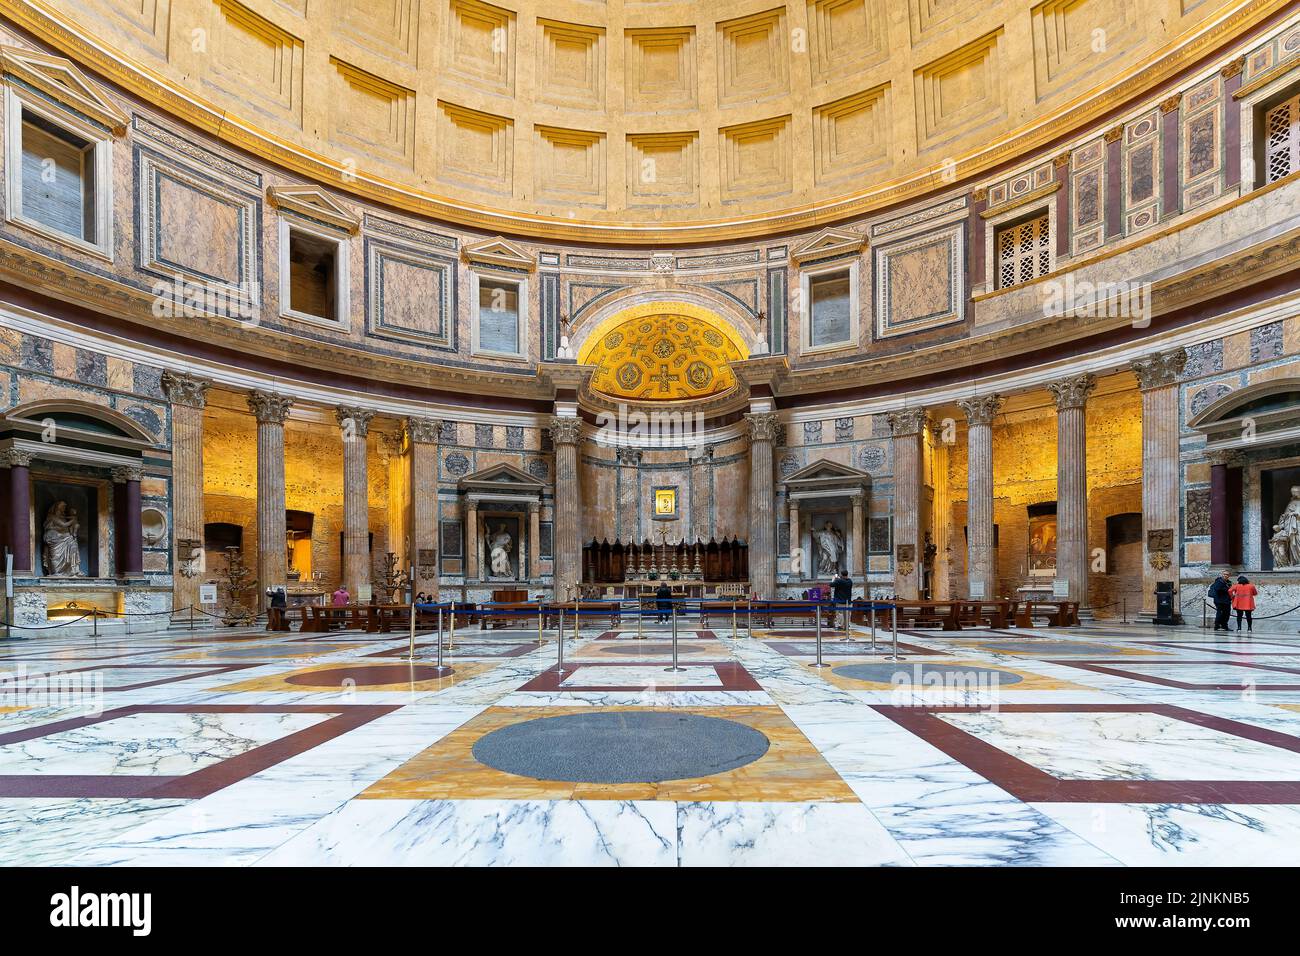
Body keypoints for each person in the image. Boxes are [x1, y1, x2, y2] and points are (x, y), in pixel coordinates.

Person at [831, 569, 853, 636]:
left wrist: (834, 578)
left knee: (840, 614)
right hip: (848, 601)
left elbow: (831, 584)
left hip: (840, 600)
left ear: (841, 575)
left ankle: (841, 626)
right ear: (847, 574)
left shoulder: (839, 581)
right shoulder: (850, 581)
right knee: (847, 614)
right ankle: (846, 626)